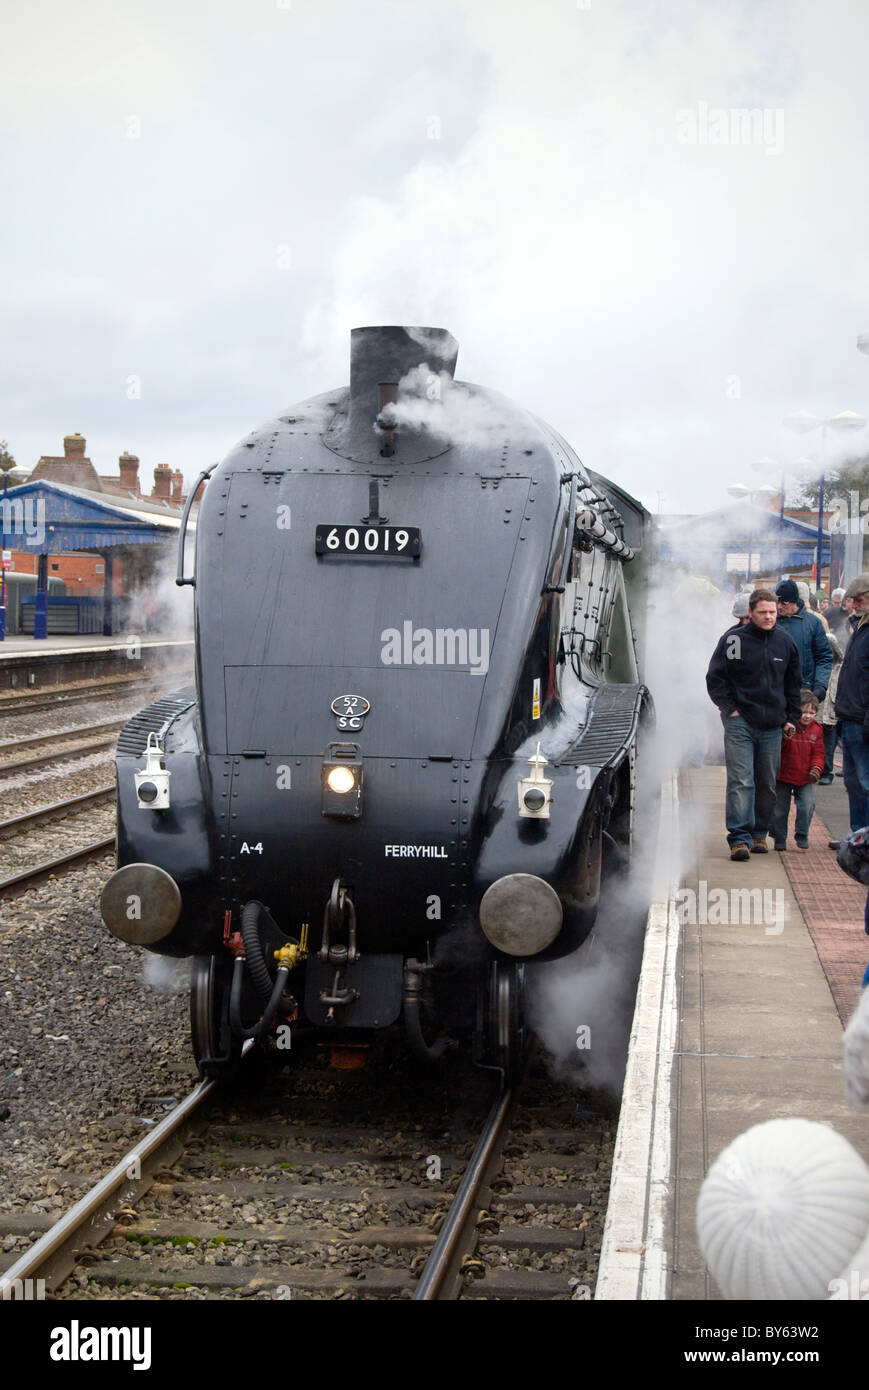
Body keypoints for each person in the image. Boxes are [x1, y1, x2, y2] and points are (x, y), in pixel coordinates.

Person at [706, 588, 802, 861]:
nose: (769, 617)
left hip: (773, 724)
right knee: (741, 780)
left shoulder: (785, 642)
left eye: (773, 612)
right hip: (740, 722)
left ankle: (760, 832)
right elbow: (715, 677)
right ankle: (739, 838)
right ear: (750, 613)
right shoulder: (733, 640)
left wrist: (791, 718)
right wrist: (729, 709)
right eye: (763, 612)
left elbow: (794, 684)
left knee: (767, 781)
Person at [833, 573, 869, 839]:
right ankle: (858, 836)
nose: (854, 605)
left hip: (862, 719)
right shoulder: (860, 627)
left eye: (859, 599)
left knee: (864, 782)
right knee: (853, 782)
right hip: (850, 716)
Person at [771, 690, 824, 849]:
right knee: (780, 809)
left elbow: (819, 753)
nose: (807, 716)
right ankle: (779, 838)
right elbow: (779, 748)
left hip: (805, 777)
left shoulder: (817, 730)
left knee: (807, 805)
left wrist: (816, 768)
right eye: (804, 712)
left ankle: (802, 834)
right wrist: (786, 737)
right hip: (784, 775)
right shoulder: (788, 726)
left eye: (812, 712)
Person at [774, 578, 833, 700]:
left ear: (794, 601)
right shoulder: (771, 622)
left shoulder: (813, 623)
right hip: (774, 691)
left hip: (804, 692)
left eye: (784, 603)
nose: (779, 606)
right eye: (777, 602)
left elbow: (824, 656)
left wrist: (820, 685)